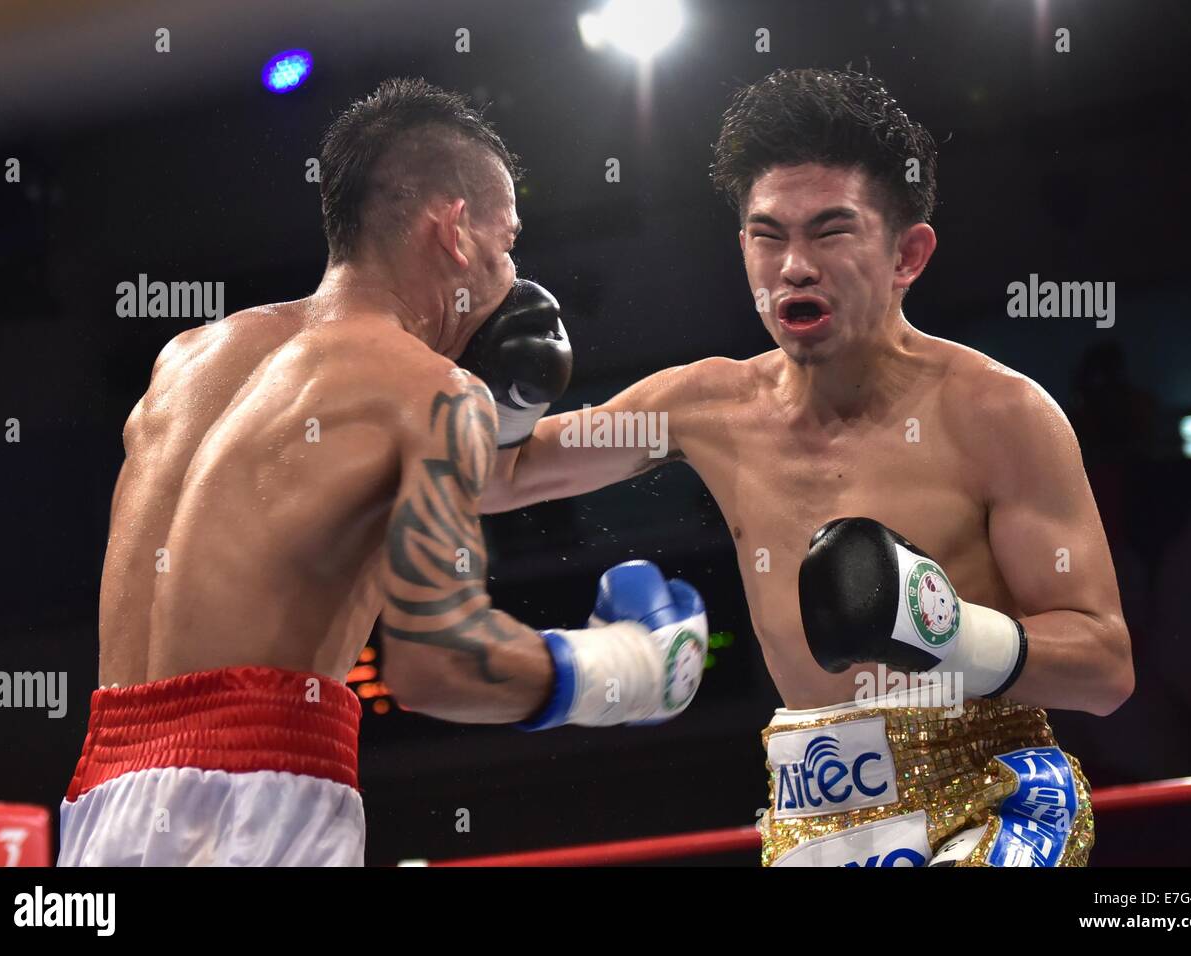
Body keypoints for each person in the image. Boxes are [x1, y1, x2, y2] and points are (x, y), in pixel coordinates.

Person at [481, 68, 1133, 866]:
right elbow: (497, 476)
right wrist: (504, 393)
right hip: (814, 819)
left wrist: (949, 636)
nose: (793, 265)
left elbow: (1104, 668)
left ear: (908, 255)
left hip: (994, 801)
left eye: (830, 232)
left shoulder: (1001, 415)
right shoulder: (703, 406)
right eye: (767, 234)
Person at [58, 78, 708, 867]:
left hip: (100, 802)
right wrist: (631, 673)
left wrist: (676, 422)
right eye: (506, 245)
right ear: (455, 230)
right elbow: (436, 666)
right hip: (259, 804)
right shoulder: (433, 392)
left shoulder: (188, 362)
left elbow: (479, 474)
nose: (510, 277)